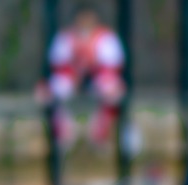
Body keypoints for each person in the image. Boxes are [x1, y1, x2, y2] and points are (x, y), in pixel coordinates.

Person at [40, 6, 127, 151]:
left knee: (112, 89)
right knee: (53, 89)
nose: (85, 22)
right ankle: (62, 133)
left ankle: (101, 132)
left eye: (89, 19)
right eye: (82, 19)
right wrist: (75, 73)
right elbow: (57, 64)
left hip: (97, 77)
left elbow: (113, 65)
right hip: (71, 77)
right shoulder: (65, 37)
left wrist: (91, 67)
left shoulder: (106, 37)